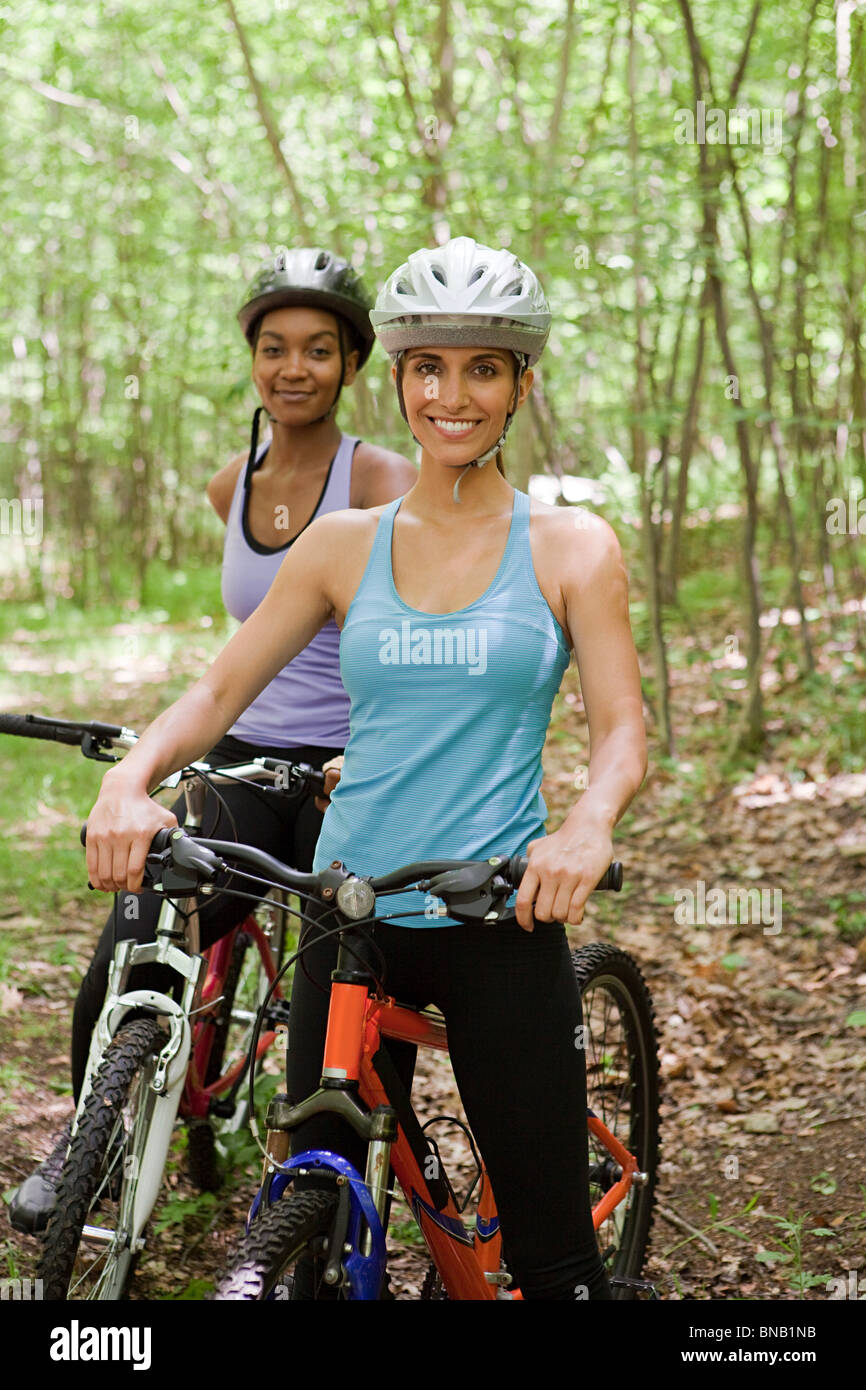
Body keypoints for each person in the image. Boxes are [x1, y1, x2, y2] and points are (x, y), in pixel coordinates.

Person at [77, 236, 647, 1299]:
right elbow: (214, 697)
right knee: (323, 1227)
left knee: (555, 1266)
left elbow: (620, 728)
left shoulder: (571, 546)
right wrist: (130, 778)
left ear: (521, 383)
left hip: (495, 918)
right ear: (397, 379)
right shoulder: (343, 542)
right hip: (346, 918)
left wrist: (587, 823)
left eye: (482, 367)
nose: (452, 393)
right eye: (429, 367)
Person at [9, 248, 416, 1234]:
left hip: (353, 761)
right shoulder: (229, 483)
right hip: (248, 747)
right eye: (273, 347)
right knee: (139, 919)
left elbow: (421, 625)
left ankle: (318, 1195)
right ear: (251, 359)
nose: (293, 367)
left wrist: (377, 747)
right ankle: (90, 1134)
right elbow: (253, 635)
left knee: (343, 954)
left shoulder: (381, 476)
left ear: (353, 365)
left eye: (318, 350)